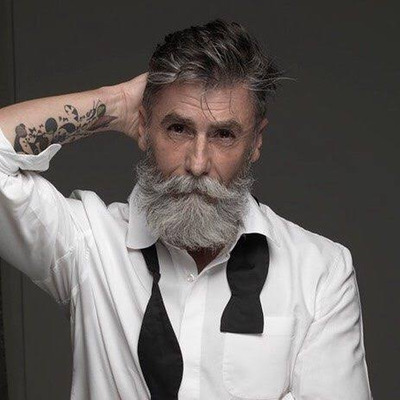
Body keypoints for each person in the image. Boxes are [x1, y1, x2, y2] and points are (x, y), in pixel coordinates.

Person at [0, 18, 372, 400]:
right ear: (144, 128)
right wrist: (117, 102)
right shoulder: (89, 245)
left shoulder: (320, 273)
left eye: (224, 135)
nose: (197, 163)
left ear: (255, 142)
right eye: (178, 129)